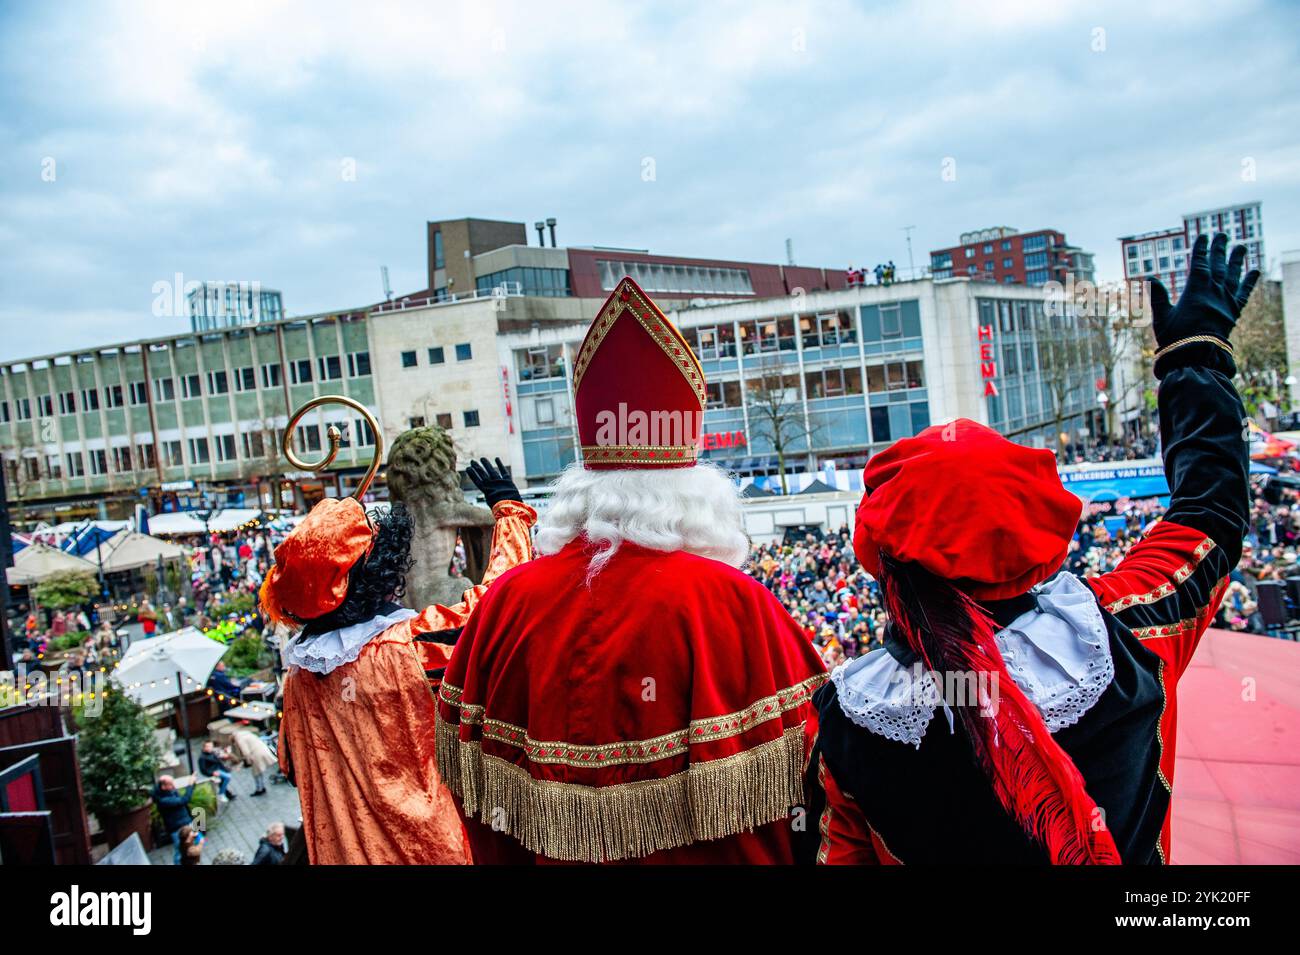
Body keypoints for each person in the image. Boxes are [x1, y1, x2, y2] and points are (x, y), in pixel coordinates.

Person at [803, 233, 1257, 864]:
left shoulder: (852, 717)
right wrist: (1194, 356)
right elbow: (1210, 509)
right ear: (1043, 534)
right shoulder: (1130, 630)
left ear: (882, 559)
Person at [436, 277, 827, 864]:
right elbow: (812, 774)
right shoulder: (730, 600)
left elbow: (468, 780)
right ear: (695, 491)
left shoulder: (509, 598)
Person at [266, 458, 536, 864]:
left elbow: (290, 765)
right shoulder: (407, 650)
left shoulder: (296, 680)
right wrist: (510, 512)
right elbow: (498, 604)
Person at [152, 775, 197, 865]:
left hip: (186, 823)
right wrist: (190, 785)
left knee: (194, 843)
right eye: (171, 784)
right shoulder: (163, 800)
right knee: (180, 852)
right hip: (177, 829)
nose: (174, 786)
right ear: (163, 786)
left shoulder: (169, 791)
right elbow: (184, 800)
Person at [230, 728, 276, 796]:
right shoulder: (247, 733)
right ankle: (262, 787)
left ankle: (259, 789)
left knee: (256, 772)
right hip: (263, 749)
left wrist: (247, 761)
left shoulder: (240, 739)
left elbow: (246, 752)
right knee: (259, 771)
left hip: (256, 754)